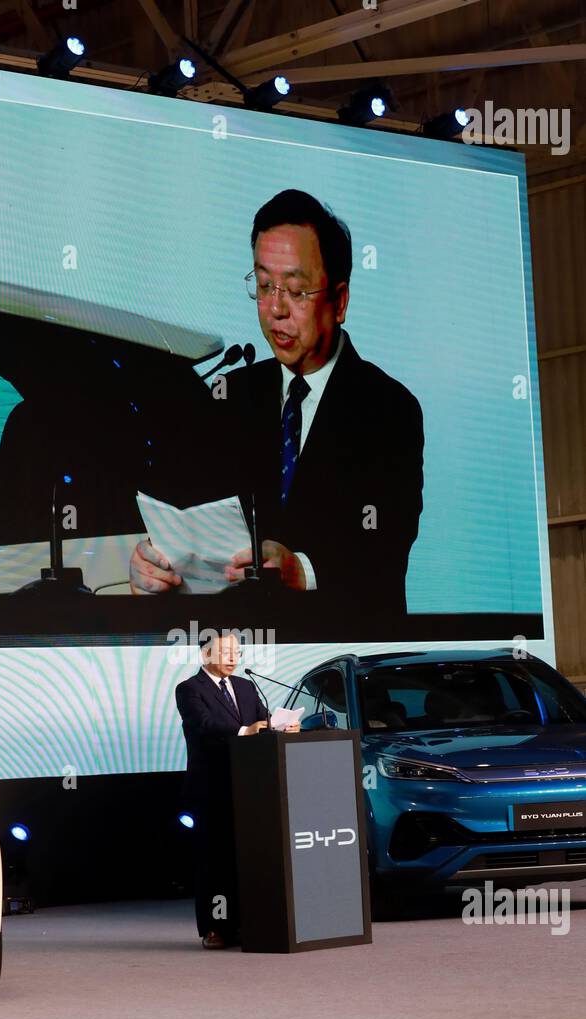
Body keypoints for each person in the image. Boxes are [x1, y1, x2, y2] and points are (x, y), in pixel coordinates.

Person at [130, 188, 424, 617]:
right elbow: (176, 521)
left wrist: (299, 570)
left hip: (339, 658)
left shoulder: (389, 409)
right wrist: (148, 568)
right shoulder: (225, 400)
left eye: (296, 291)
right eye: (265, 285)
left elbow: (383, 550)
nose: (275, 310)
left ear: (339, 301)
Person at [175, 630, 298, 949]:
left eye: (236, 653)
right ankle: (214, 928)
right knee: (214, 860)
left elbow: (262, 720)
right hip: (211, 787)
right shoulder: (189, 689)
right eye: (226, 652)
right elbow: (201, 727)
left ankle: (247, 924)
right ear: (206, 655)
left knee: (248, 856)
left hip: (250, 788)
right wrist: (246, 730)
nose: (232, 658)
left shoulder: (245, 686)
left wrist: (280, 725)